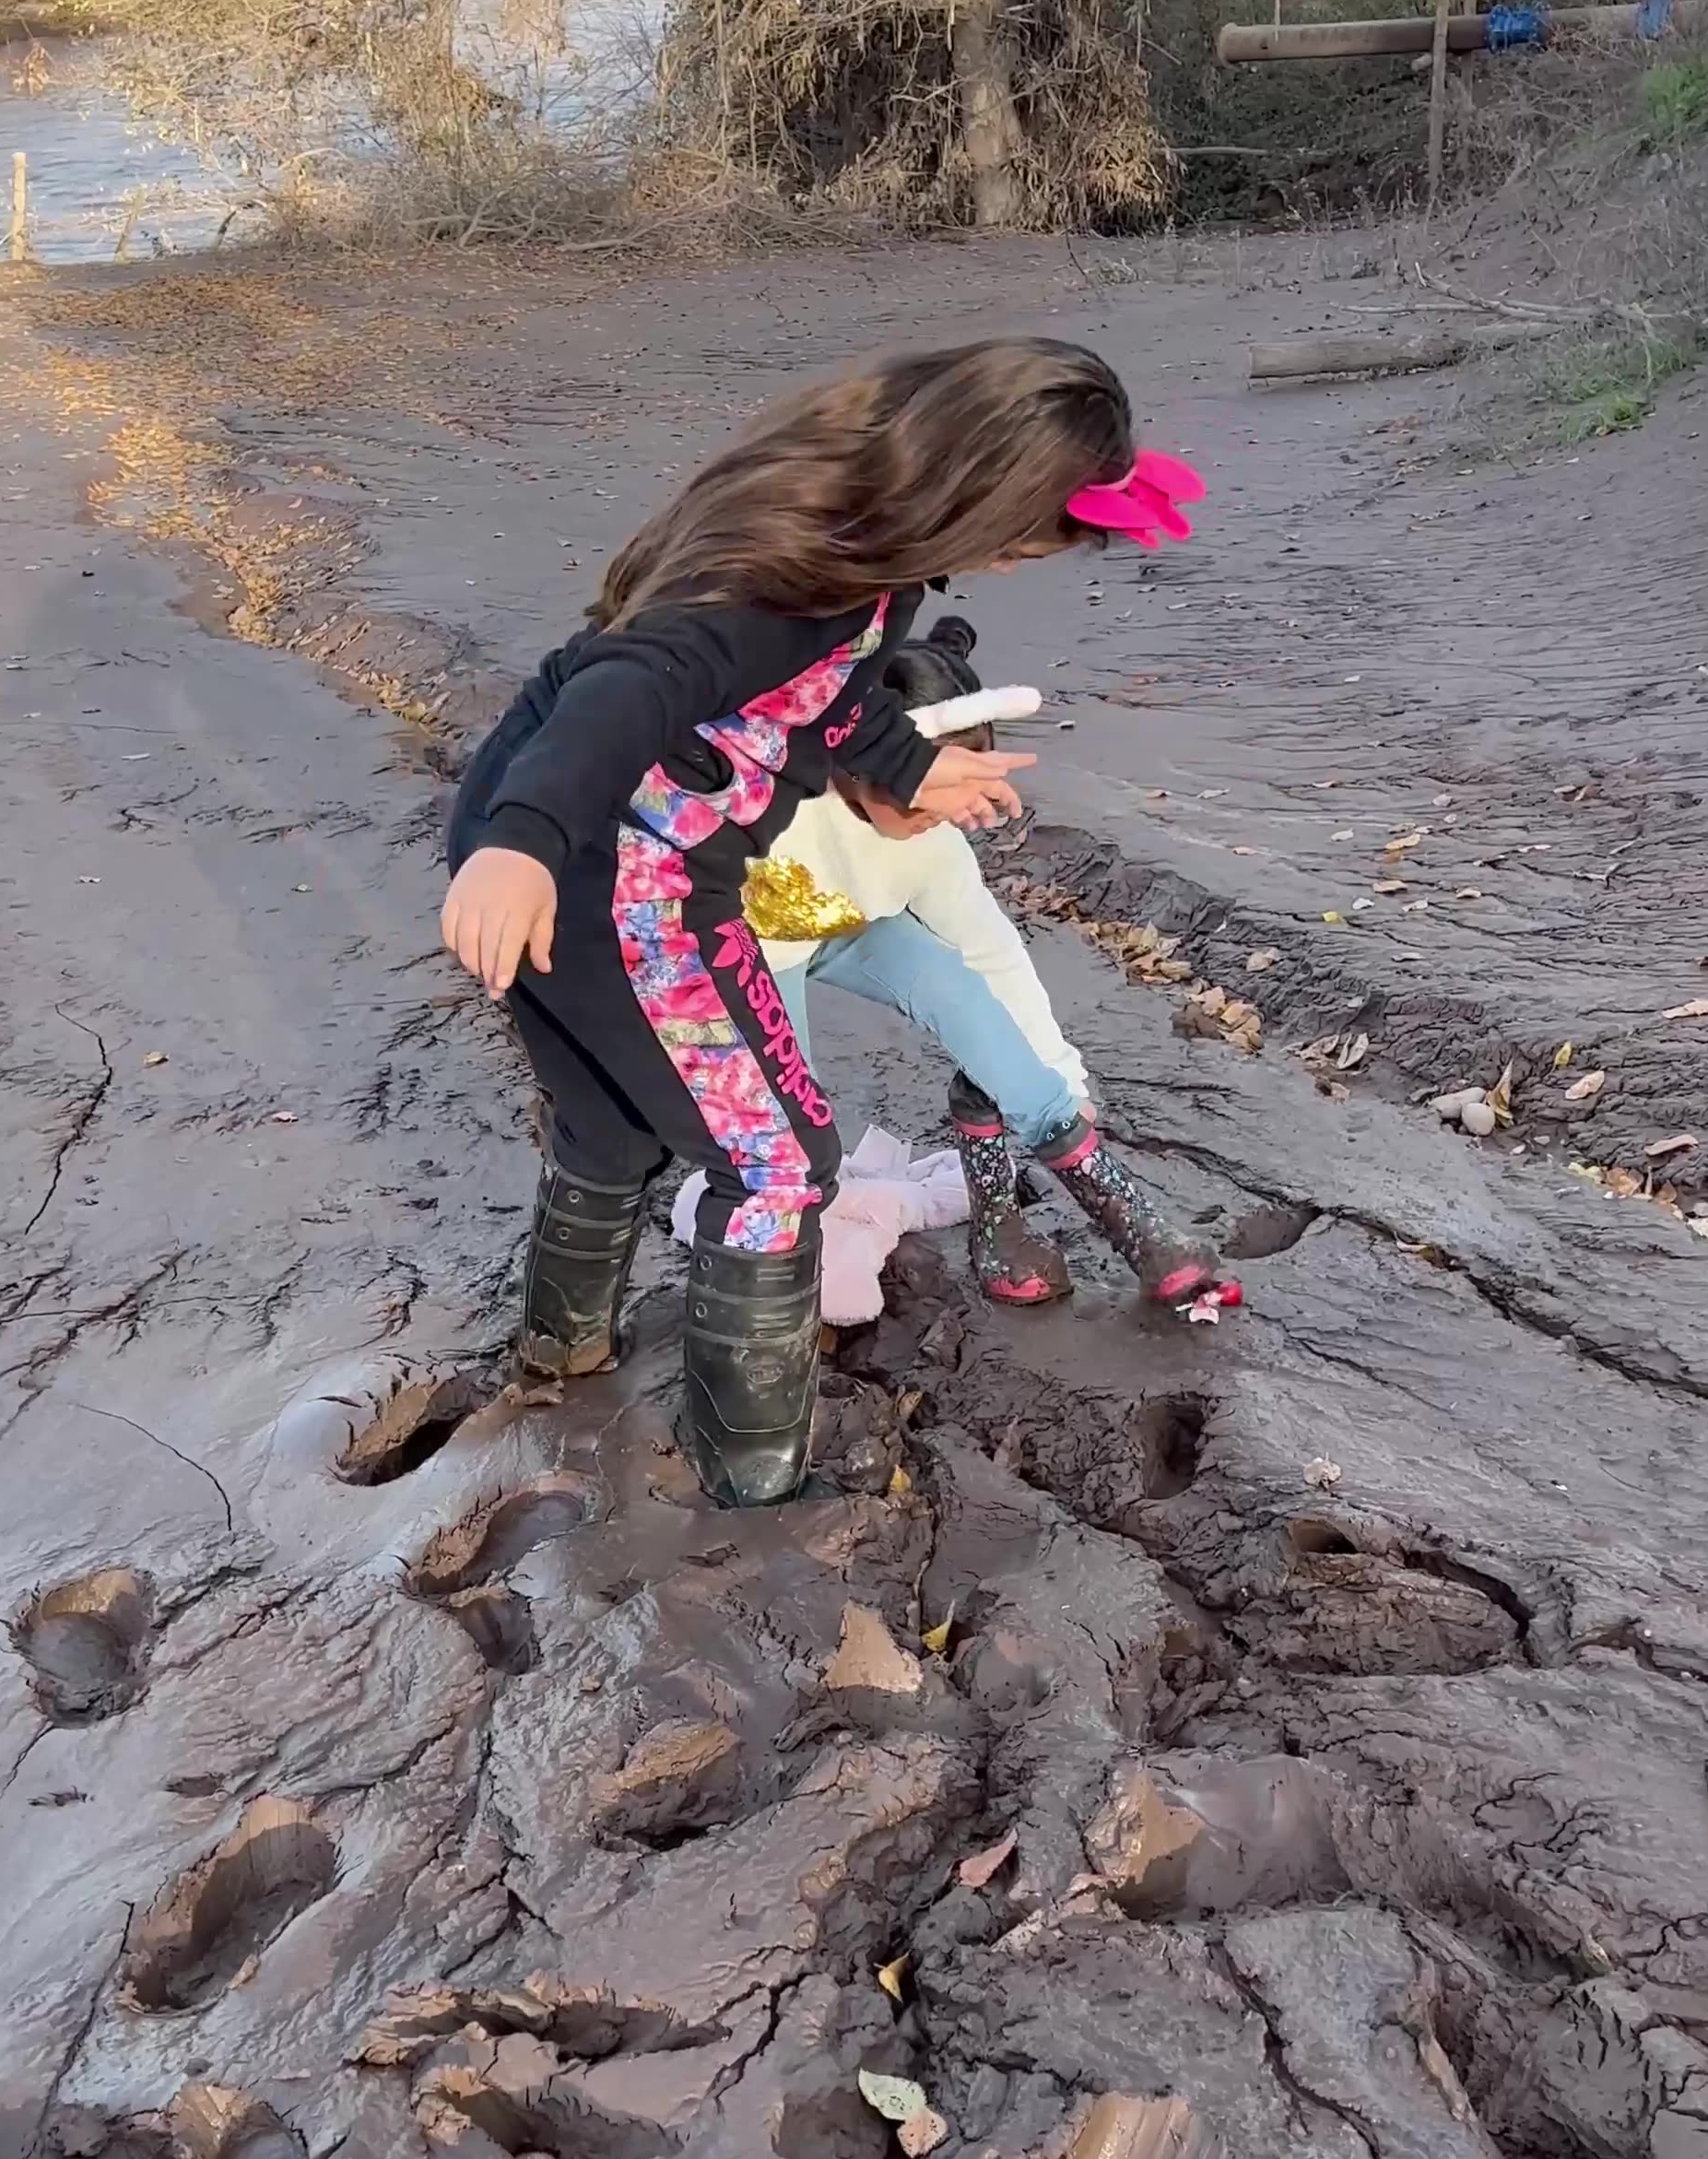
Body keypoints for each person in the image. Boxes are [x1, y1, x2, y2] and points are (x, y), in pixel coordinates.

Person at [442, 337, 1199, 1510]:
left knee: (610, 1121)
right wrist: (522, 844)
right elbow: (623, 688)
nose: (1003, 567)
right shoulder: (771, 590)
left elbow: (838, 700)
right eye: (1011, 543)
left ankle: (561, 1359)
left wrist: (907, 773)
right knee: (779, 1161)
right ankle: (749, 1487)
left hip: (583, 852)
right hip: (606, 874)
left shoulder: (867, 563)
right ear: (968, 495)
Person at [750, 615, 1237, 1314]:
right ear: (864, 755)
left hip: (845, 929)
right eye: (932, 787)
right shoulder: (777, 799)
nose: (950, 811)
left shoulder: (931, 845)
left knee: (964, 993)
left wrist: (1059, 1082)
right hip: (745, 950)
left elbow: (993, 953)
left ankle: (1117, 1219)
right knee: (792, 1126)